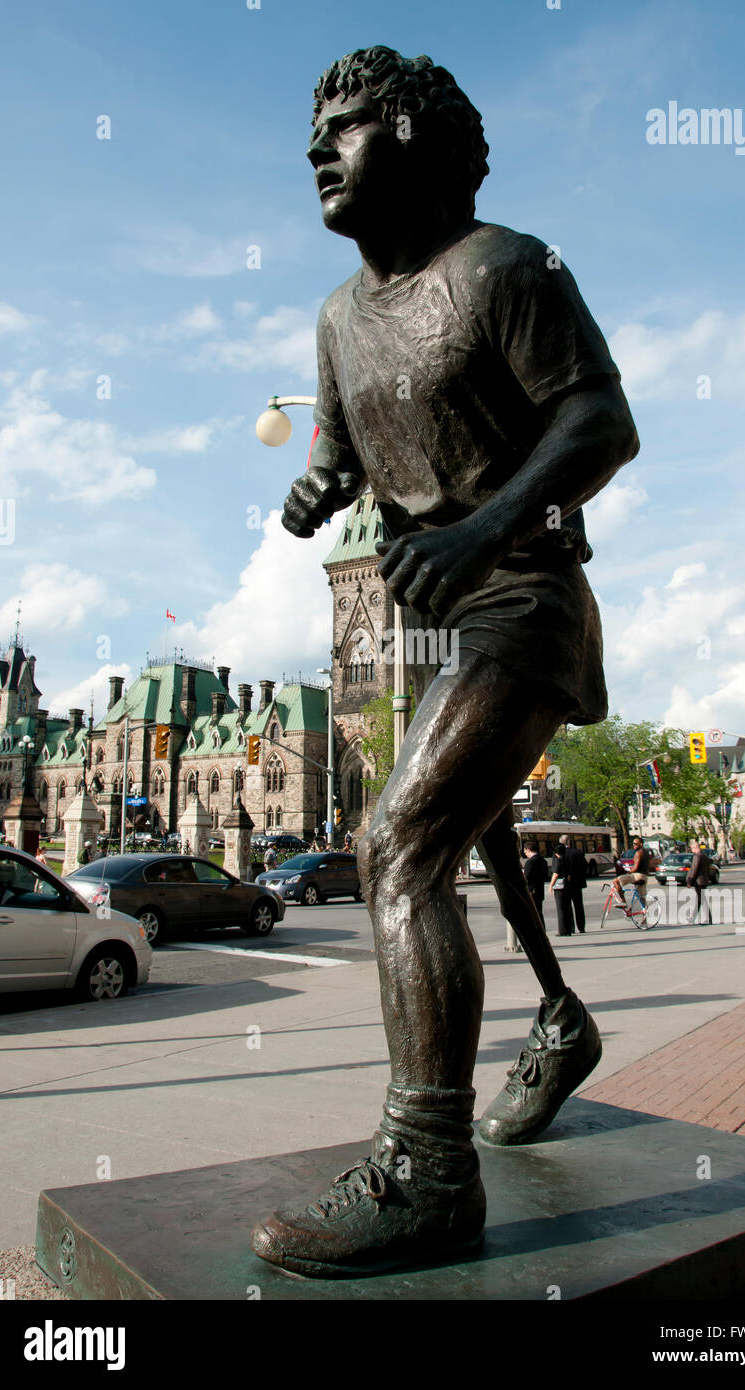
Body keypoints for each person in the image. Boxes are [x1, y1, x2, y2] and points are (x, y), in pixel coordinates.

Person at [252, 45, 638, 1279]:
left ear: (416, 142)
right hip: (440, 615)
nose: (319, 147)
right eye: (314, 128)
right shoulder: (333, 321)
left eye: (350, 125)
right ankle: (558, 1019)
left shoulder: (505, 268)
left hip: (520, 596)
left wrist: (481, 524)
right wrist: (322, 484)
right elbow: (350, 451)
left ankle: (428, 1172)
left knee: (397, 845)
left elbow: (597, 421)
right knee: (474, 834)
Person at [612, 835, 651, 908]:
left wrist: (627, 872)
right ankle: (645, 916)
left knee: (615, 881)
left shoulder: (638, 853)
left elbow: (635, 868)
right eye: (633, 843)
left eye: (635, 844)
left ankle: (623, 902)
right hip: (645, 877)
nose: (633, 845)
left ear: (641, 844)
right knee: (641, 897)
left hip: (638, 875)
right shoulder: (646, 852)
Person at [559, 834, 587, 933]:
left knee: (568, 907)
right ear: (569, 842)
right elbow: (584, 866)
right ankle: (581, 927)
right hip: (577, 883)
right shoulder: (577, 852)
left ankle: (571, 928)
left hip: (565, 883)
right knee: (579, 906)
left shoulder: (560, 854)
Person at [547, 840, 574, 936]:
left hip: (560, 887)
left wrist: (551, 885)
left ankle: (562, 930)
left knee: (560, 909)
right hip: (567, 884)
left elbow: (555, 874)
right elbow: (569, 874)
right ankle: (569, 929)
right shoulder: (567, 859)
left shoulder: (558, 860)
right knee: (567, 908)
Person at [522, 840, 549, 930]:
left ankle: (537, 933)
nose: (525, 853)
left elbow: (526, 878)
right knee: (539, 913)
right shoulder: (543, 861)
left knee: (532, 914)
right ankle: (542, 931)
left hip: (531, 891)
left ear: (528, 850)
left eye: (525, 851)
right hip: (540, 890)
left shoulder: (530, 862)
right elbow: (545, 876)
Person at [687, 839, 712, 924]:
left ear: (695, 847)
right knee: (699, 900)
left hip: (699, 881)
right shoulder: (704, 856)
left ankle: (708, 919)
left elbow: (694, 869)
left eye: (692, 848)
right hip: (704, 881)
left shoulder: (697, 856)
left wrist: (690, 881)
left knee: (702, 900)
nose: (691, 850)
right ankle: (692, 917)